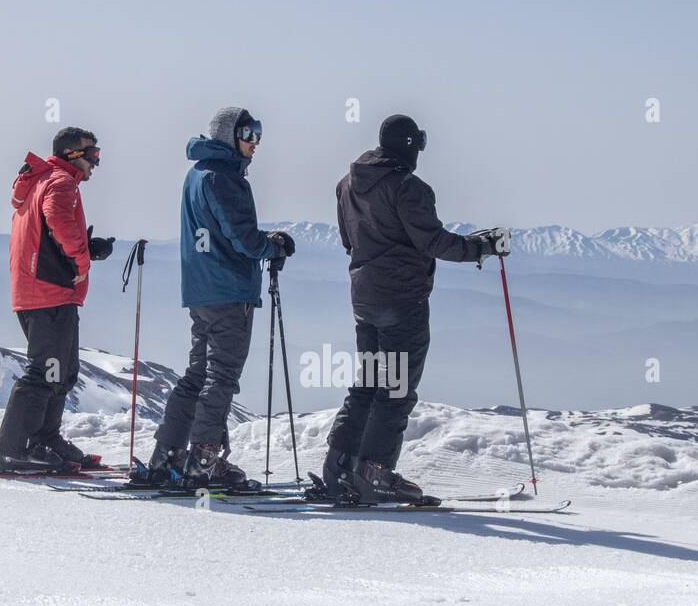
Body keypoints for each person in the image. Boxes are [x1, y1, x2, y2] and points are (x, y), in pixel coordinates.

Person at [321, 114, 507, 503]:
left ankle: (339, 467)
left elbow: (348, 240)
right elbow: (433, 242)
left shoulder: (347, 185)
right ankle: (374, 473)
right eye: (419, 143)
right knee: (396, 389)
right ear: (410, 145)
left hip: (364, 299)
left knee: (368, 384)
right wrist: (482, 248)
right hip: (402, 301)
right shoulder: (409, 187)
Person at [143, 107, 294, 488]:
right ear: (229, 135)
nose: (255, 142)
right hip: (228, 289)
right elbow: (241, 237)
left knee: (197, 374)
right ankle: (204, 462)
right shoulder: (223, 177)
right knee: (221, 376)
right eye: (249, 133)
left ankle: (167, 456)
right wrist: (272, 247)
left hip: (201, 289)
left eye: (258, 133)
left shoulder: (197, 174)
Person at [0, 126, 115, 472]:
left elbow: (49, 231)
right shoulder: (61, 182)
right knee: (46, 372)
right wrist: (81, 261)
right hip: (48, 294)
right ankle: (14, 449)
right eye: (93, 154)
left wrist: (87, 248)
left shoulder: (44, 181)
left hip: (39, 291)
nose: (96, 163)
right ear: (73, 154)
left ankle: (42, 439)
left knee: (63, 371)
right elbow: (56, 218)